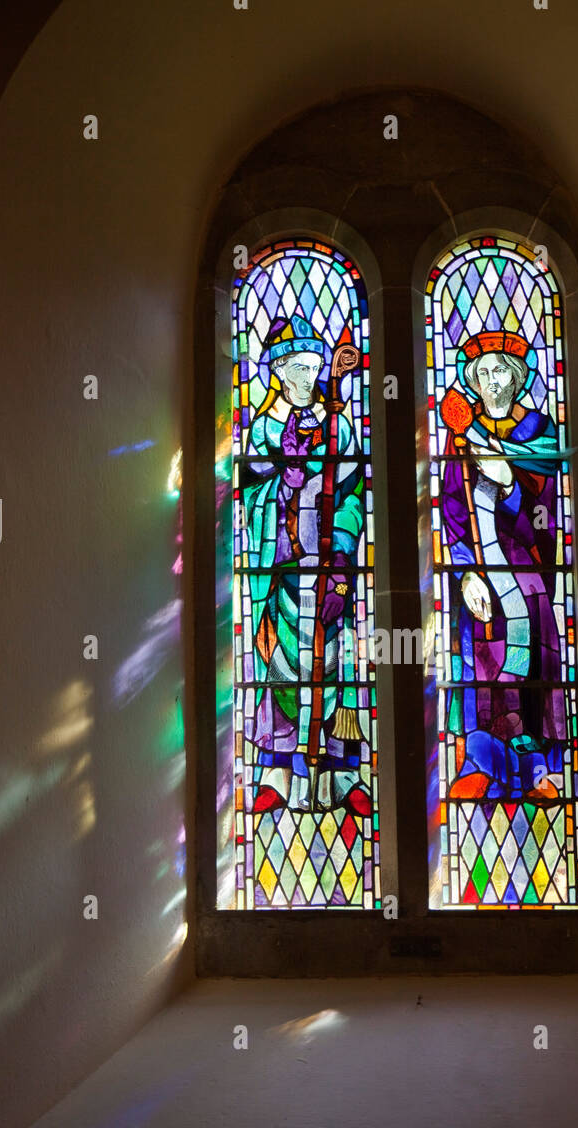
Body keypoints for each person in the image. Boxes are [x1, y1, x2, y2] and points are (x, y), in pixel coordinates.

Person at [240, 314, 370, 815]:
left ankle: (339, 773)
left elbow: (354, 493)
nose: (307, 376)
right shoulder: (266, 428)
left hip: (333, 570)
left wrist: (340, 551)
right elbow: (251, 493)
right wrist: (285, 484)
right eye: (296, 366)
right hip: (285, 572)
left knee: (337, 663)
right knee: (281, 666)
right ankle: (277, 766)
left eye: (313, 366)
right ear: (276, 370)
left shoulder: (339, 425)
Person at [438, 329, 567, 802]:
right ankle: (482, 763)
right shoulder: (461, 440)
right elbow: (452, 507)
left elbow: (544, 514)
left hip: (523, 568)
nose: (492, 382)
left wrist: (511, 483)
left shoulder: (538, 433)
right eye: (483, 374)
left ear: (517, 379)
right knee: (481, 669)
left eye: (501, 373)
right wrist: (465, 569)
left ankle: (536, 771)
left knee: (527, 664)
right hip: (479, 575)